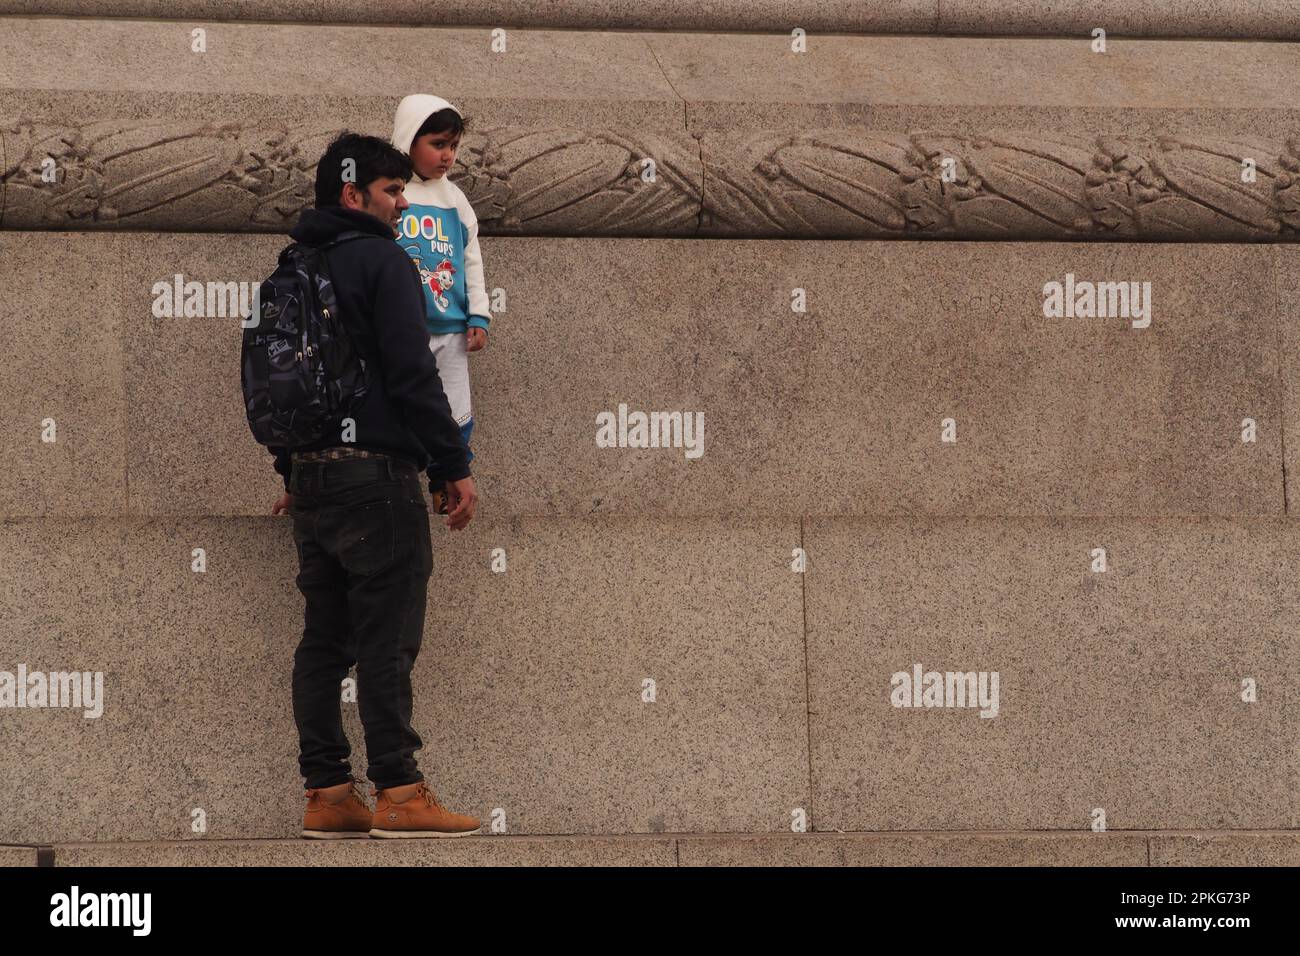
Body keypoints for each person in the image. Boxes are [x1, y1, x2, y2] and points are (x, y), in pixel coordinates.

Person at [266, 131, 482, 838]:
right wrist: (453, 465)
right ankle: (398, 789)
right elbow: (412, 374)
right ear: (354, 194)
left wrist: (289, 468)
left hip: (313, 481)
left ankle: (328, 794)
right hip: (378, 482)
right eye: (392, 192)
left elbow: (279, 381)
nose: (400, 205)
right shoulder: (384, 262)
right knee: (387, 640)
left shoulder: (291, 266)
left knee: (323, 642)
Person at [390, 94, 492, 514]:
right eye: (437, 144)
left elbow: (472, 260)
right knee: (400, 403)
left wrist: (479, 315)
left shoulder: (457, 201)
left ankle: (445, 477)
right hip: (402, 327)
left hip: (449, 326)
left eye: (452, 145)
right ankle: (401, 476)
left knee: (454, 407)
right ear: (408, 140)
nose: (447, 155)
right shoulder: (394, 194)